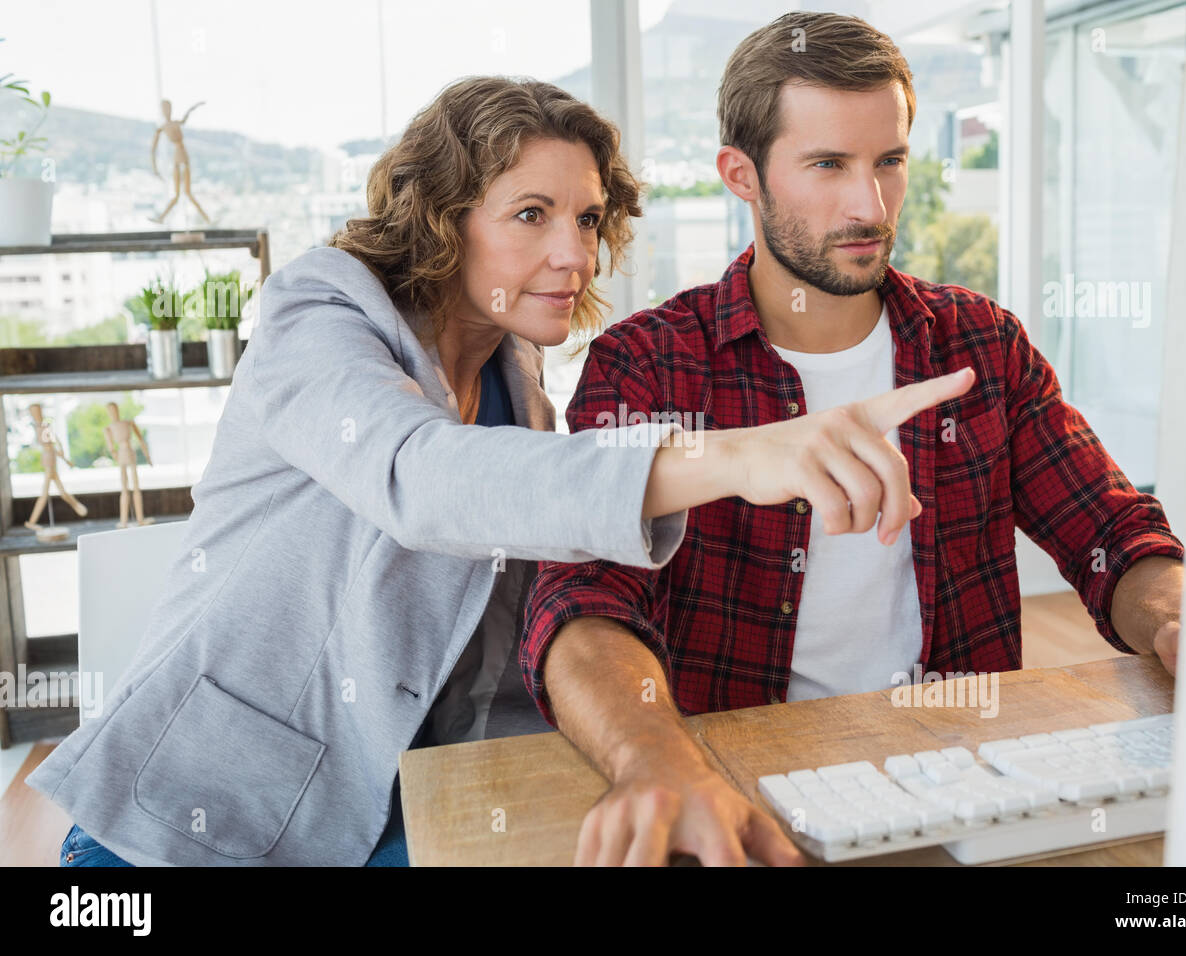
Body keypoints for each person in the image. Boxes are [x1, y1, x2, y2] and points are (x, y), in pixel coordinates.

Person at [27, 74, 972, 867]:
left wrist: (654, 760)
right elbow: (422, 478)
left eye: (588, 218)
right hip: (184, 831)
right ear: (442, 217)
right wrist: (739, 454)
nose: (575, 253)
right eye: (531, 215)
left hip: (389, 811)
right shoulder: (315, 313)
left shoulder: (516, 378)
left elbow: (498, 653)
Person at [519, 11, 1186, 866]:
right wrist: (650, 757)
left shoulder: (981, 345)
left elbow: (1111, 532)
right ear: (742, 175)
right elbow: (579, 600)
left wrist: (1176, 619)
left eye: (890, 161)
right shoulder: (650, 364)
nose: (869, 206)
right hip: (739, 799)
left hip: (965, 788)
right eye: (827, 164)